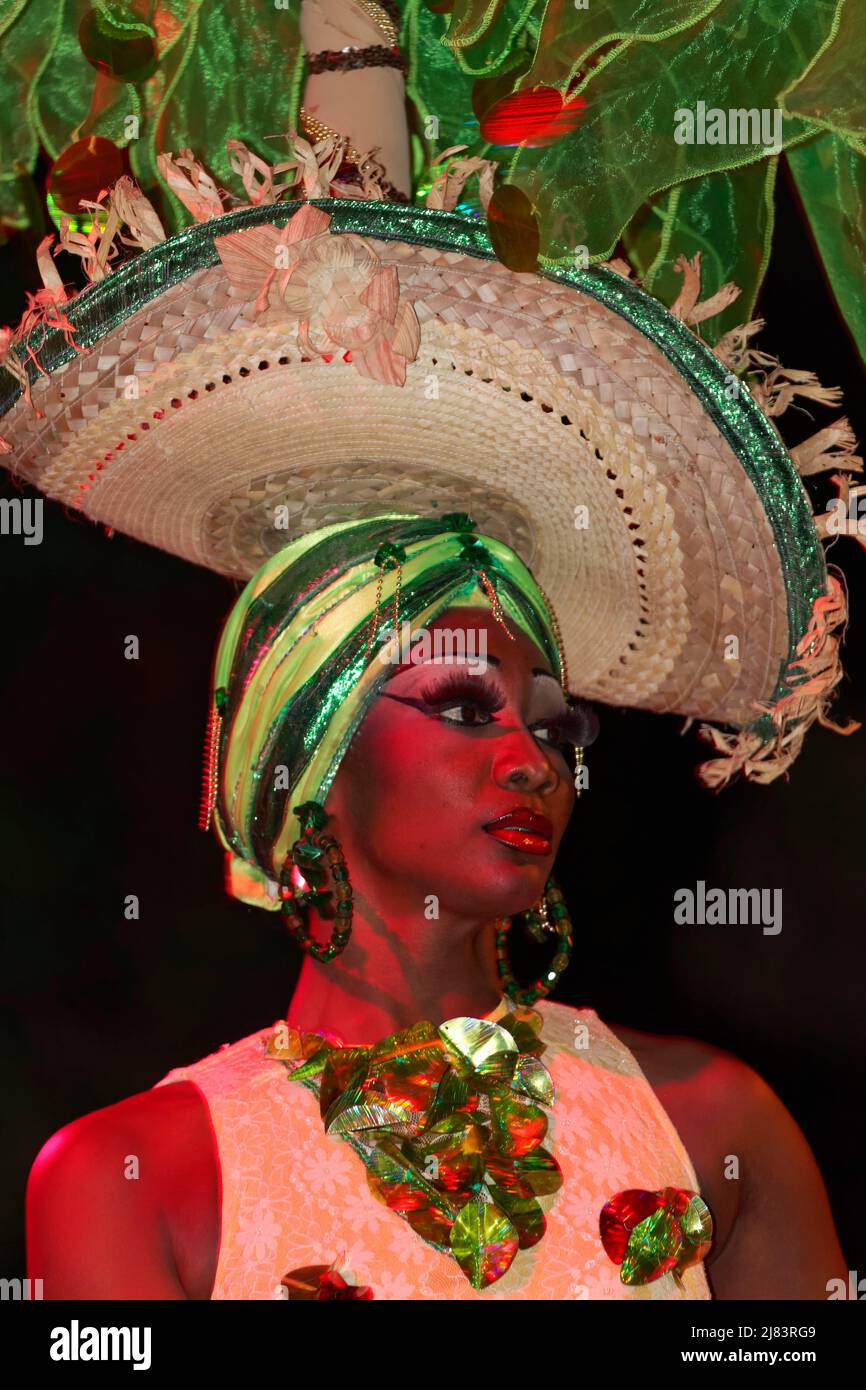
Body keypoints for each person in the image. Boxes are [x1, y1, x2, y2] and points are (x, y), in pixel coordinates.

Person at [25, 514, 848, 1299]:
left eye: (556, 728)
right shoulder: (125, 1177)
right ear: (315, 760)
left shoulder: (717, 1120)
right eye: (462, 706)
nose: (536, 763)